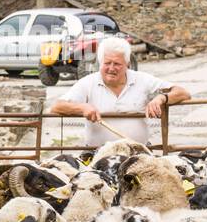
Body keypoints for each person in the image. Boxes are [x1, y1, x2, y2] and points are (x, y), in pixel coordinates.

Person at [48, 36, 189, 147]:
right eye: (107, 63)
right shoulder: (88, 82)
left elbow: (183, 93)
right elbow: (56, 107)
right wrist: (82, 107)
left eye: (117, 64)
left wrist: (161, 99)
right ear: (100, 63)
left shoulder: (142, 79)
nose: (111, 68)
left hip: (137, 153)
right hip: (98, 155)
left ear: (127, 64)